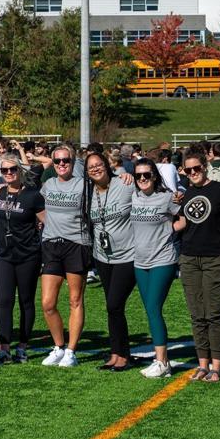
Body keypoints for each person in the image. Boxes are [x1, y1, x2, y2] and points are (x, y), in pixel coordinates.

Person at [175, 150, 220, 382]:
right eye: (188, 170)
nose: (193, 173)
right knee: (197, 315)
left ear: (205, 167)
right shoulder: (186, 193)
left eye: (196, 168)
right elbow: (181, 222)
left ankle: (216, 366)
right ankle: (202, 364)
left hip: (215, 258)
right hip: (189, 258)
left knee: (214, 314)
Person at [38, 145, 92, 368]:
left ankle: (71, 351)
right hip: (51, 245)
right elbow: (35, 205)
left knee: (75, 300)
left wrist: (125, 176)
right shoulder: (48, 185)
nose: (62, 164)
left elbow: (107, 185)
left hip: (77, 245)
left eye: (66, 160)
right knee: (47, 303)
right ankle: (59, 346)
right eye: (57, 161)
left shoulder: (84, 184)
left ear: (73, 161)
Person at [131, 158, 182, 378]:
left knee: (153, 308)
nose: (142, 178)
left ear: (154, 176)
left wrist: (170, 229)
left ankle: (162, 362)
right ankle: (161, 360)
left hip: (163, 259)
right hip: (139, 261)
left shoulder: (167, 197)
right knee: (150, 310)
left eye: (147, 174)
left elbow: (185, 218)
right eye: (138, 175)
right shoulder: (133, 196)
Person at [0, 153, 45, 365]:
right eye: (4, 170)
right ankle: (4, 348)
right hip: (4, 255)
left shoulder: (33, 195)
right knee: (4, 301)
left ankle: (22, 346)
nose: (9, 173)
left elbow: (47, 222)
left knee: (26, 301)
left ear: (20, 170)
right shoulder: (0, 192)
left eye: (12, 169)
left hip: (28, 255)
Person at [85, 152, 136, 372]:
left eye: (99, 165)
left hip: (128, 255)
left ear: (107, 166)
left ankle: (123, 354)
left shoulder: (125, 184)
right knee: (113, 307)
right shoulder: (88, 192)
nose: (95, 169)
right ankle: (115, 353)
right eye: (91, 167)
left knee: (114, 304)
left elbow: (150, 190)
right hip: (102, 257)